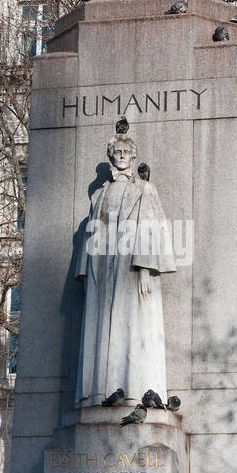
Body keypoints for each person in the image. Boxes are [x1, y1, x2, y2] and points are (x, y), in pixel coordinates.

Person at [75, 124, 176, 406]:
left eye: (125, 152)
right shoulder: (98, 195)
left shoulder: (146, 190)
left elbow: (152, 228)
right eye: (116, 152)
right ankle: (99, 391)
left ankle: (133, 389)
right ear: (110, 156)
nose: (120, 155)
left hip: (131, 266)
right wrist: (85, 272)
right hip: (103, 267)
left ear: (133, 157)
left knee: (131, 330)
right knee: (102, 331)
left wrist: (145, 268)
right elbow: (91, 233)